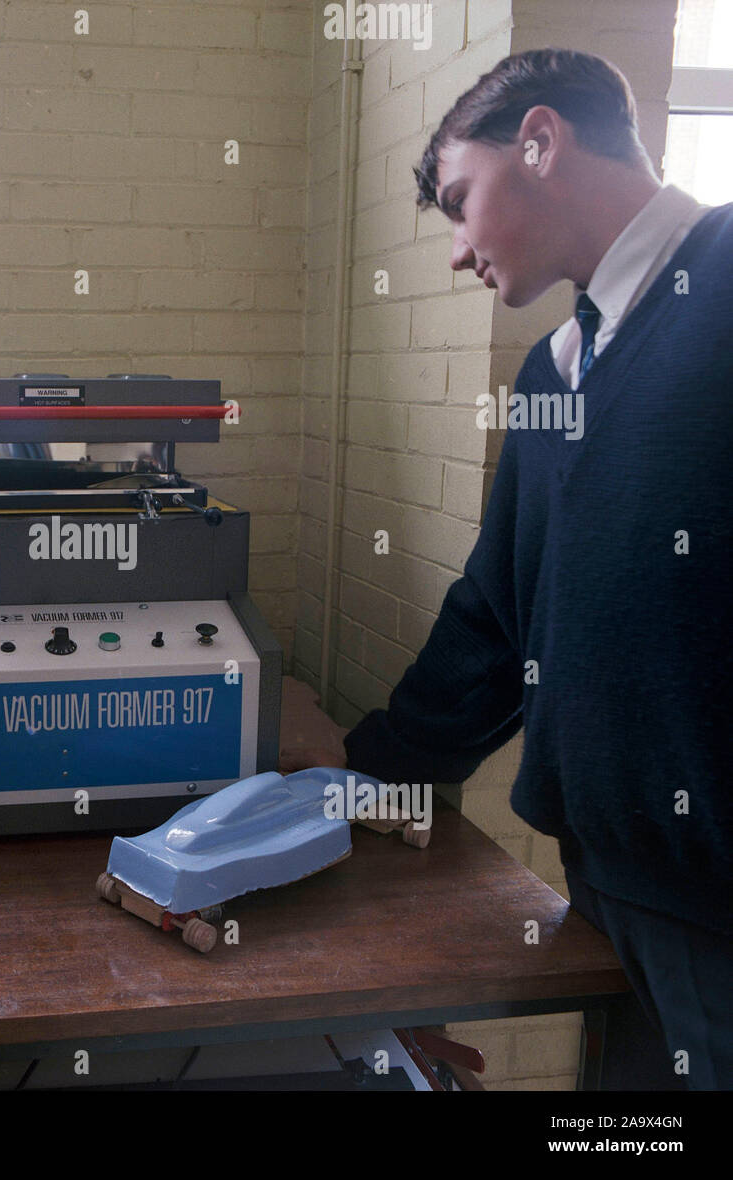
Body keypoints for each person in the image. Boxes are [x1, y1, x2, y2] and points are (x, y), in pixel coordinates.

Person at [287, 48, 732, 1090]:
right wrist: (366, 772)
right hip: (608, 891)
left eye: (458, 201)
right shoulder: (555, 369)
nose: (455, 250)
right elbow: (492, 618)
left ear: (539, 141)